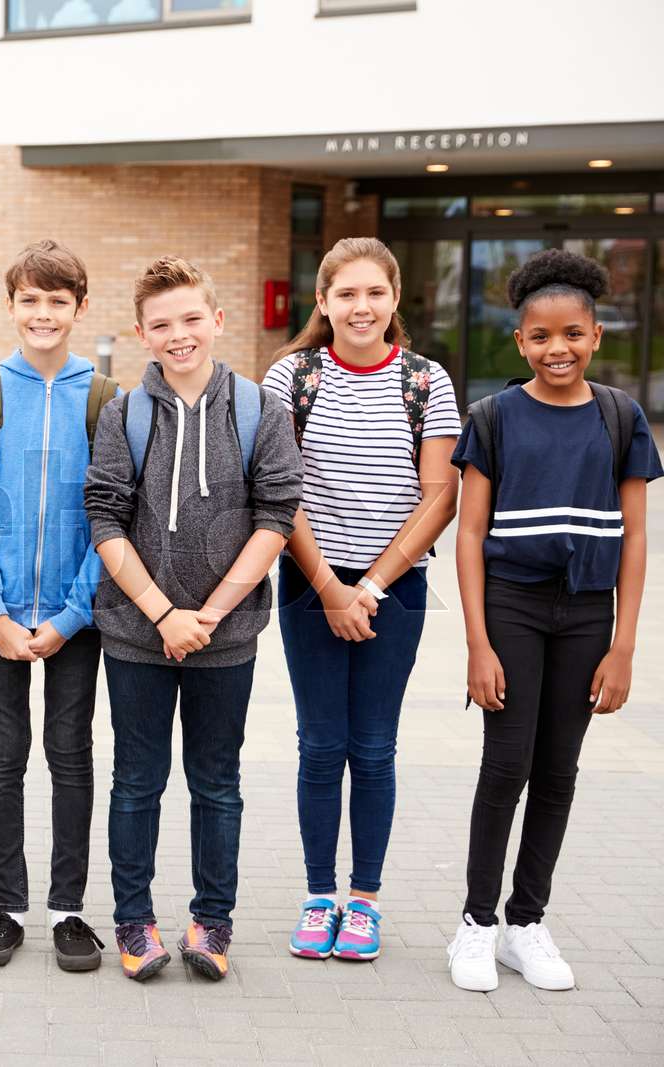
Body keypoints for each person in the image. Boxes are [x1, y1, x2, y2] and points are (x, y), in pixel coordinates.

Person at [446, 248, 660, 992]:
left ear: (596, 336)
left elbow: (636, 536)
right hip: (510, 603)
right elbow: (468, 535)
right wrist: (477, 642)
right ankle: (475, 925)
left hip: (586, 614)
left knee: (558, 772)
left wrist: (624, 647)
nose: (556, 348)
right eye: (540, 336)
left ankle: (525, 922)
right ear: (520, 341)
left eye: (572, 334)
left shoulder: (620, 416)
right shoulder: (494, 417)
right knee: (506, 764)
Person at [84, 256, 302, 982]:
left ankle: (212, 921)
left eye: (190, 319)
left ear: (216, 320)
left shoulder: (257, 410)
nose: (179, 335)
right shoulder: (124, 412)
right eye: (161, 324)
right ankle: (134, 922)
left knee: (217, 783)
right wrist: (161, 613)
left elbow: (275, 516)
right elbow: (105, 516)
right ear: (143, 335)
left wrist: (206, 614)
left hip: (226, 636)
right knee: (136, 782)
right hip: (135, 636)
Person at [260, 237, 461, 961]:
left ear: (395, 298)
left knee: (373, 747)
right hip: (310, 579)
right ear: (323, 302)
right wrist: (330, 589)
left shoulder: (426, 381)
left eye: (374, 292)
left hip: (396, 587)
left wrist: (369, 587)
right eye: (346, 293)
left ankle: (365, 900)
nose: (361, 306)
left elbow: (439, 498)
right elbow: (278, 492)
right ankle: (319, 896)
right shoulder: (291, 376)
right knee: (320, 745)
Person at [0, 240, 113, 971]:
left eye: (57, 301)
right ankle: (8, 905)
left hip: (78, 616)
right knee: (2, 756)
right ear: (11, 305)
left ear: (80, 309)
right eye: (29, 300)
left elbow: (113, 517)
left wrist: (72, 615)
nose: (42, 313)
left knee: (70, 753)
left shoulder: (109, 399)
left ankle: (68, 908)